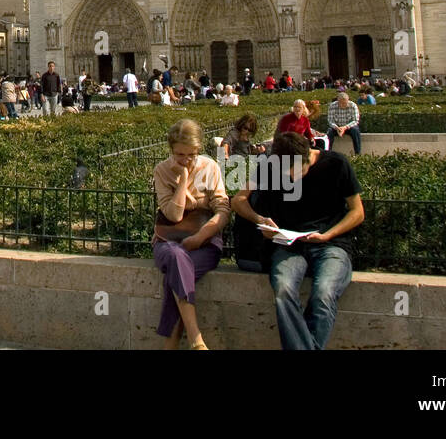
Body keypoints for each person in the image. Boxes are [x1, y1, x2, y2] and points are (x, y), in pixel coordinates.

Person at [231, 132, 364, 350]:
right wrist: (260, 220)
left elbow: (357, 212)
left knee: (324, 293)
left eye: (295, 171)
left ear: (307, 156)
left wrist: (329, 234)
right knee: (283, 289)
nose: (291, 177)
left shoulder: (336, 164)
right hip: (289, 245)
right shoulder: (271, 165)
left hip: (331, 244)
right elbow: (238, 200)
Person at [152, 119, 229, 350]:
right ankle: (196, 340)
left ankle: (171, 345)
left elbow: (223, 210)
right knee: (176, 258)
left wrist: (201, 236)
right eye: (180, 155)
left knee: (174, 275)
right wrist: (184, 180)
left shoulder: (211, 168)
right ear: (171, 150)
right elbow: (173, 215)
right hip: (169, 238)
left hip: (204, 239)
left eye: (192, 155)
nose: (186, 160)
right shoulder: (162, 170)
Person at [325, 91, 362, 155]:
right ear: (338, 101)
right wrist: (337, 128)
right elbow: (330, 121)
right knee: (329, 132)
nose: (342, 105)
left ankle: (357, 153)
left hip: (349, 127)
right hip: (337, 127)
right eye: (341, 103)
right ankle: (328, 153)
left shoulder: (353, 105)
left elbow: (355, 120)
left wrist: (345, 127)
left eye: (344, 103)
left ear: (348, 100)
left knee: (355, 131)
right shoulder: (332, 106)